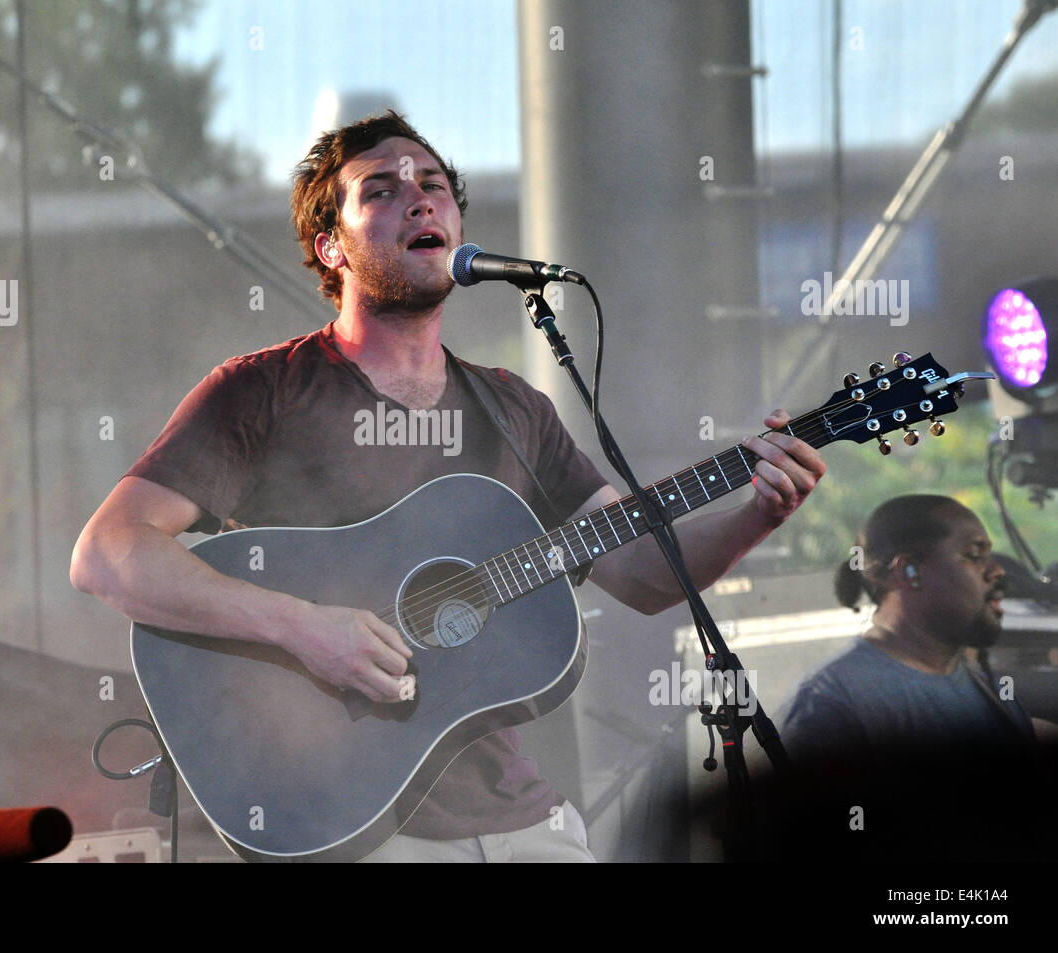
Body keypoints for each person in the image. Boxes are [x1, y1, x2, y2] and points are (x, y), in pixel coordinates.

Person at [69, 111, 826, 862]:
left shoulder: (513, 407)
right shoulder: (262, 391)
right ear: (331, 246)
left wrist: (758, 511)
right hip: (351, 824)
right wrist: (303, 626)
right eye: (382, 191)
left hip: (522, 818)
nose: (420, 199)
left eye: (433, 185)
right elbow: (107, 552)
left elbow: (642, 568)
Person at [774, 494, 1057, 859]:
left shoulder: (980, 685)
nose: (998, 570)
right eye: (974, 555)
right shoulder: (832, 705)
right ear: (908, 570)